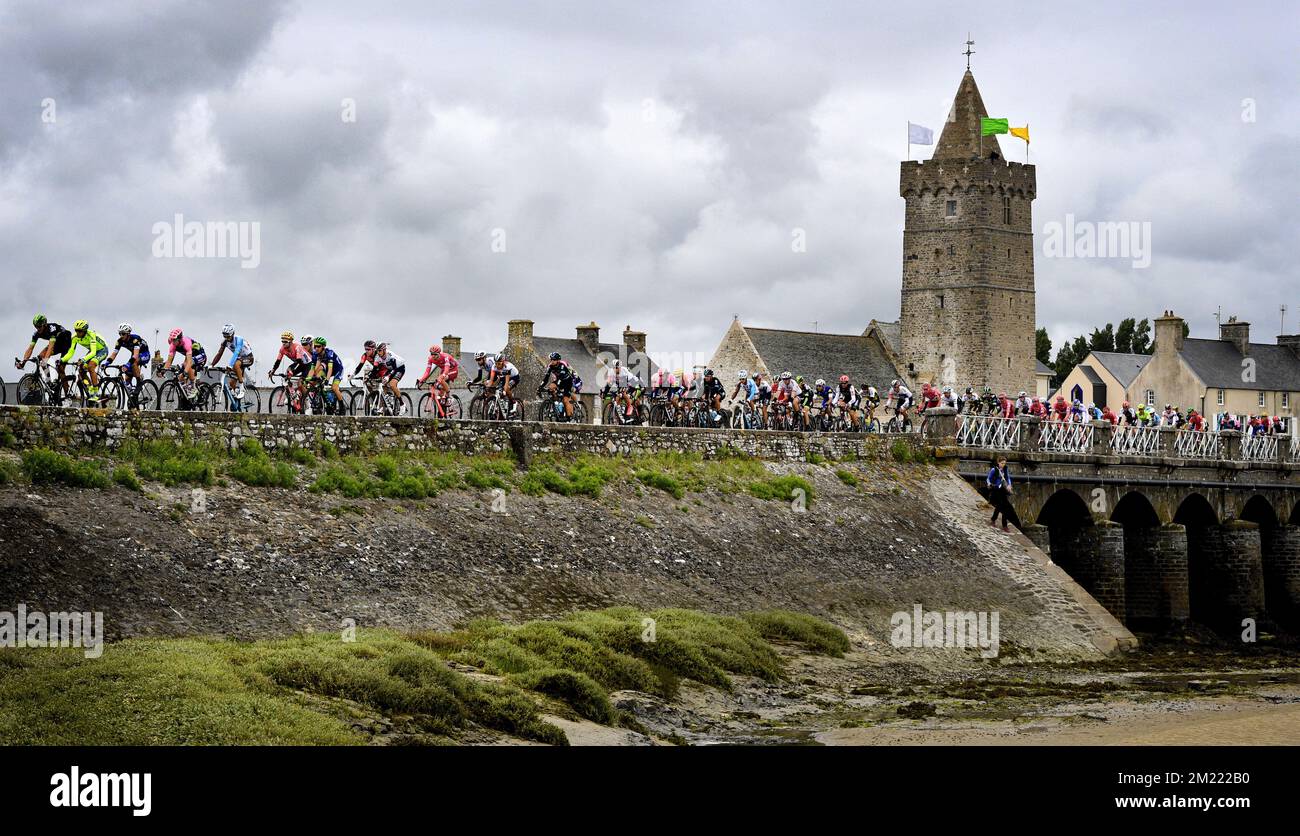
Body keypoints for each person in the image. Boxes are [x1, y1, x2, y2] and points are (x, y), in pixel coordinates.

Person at [18, 315, 75, 398]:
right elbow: (30, 348)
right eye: (35, 326)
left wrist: (46, 360)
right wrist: (23, 362)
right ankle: (50, 383)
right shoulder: (36, 333)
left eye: (39, 326)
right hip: (57, 343)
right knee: (40, 358)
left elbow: (51, 346)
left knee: (60, 368)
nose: (38, 328)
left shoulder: (52, 329)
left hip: (66, 342)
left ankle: (67, 394)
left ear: (44, 325)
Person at [62, 320, 109, 403]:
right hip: (92, 351)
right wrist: (62, 360)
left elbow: (93, 352)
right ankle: (90, 388)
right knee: (81, 370)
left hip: (102, 350)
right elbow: (71, 352)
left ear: (84, 331)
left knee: (91, 366)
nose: (77, 333)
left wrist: (83, 359)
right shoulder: (74, 337)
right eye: (76, 330)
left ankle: (96, 393)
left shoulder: (91, 335)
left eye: (79, 331)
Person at [268, 331, 314, 411]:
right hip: (298, 363)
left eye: (285, 342)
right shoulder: (282, 349)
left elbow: (300, 361)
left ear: (291, 342)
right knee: (287, 373)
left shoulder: (297, 347)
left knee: (300, 382)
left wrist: (293, 372)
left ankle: (307, 402)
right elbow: (278, 361)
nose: (283, 343)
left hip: (307, 364)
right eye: (282, 341)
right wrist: (273, 370)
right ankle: (292, 395)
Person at [210, 324, 254, 400]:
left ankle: (241, 387)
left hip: (248, 358)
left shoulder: (239, 339)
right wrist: (212, 364)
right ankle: (236, 404)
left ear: (233, 334)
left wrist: (230, 365)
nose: (226, 338)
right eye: (225, 336)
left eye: (228, 336)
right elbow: (219, 354)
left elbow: (236, 353)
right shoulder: (225, 342)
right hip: (239, 359)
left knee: (236, 364)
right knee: (232, 383)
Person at [163, 328, 207, 396]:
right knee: (180, 377)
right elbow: (169, 361)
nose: (173, 342)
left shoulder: (186, 342)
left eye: (174, 340)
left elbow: (189, 362)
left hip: (200, 355)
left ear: (179, 339)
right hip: (190, 356)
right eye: (171, 340)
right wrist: (163, 371)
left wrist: (184, 373)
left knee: (186, 366)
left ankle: (193, 386)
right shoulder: (173, 345)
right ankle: (188, 394)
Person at [417, 344, 460, 413]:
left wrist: (441, 377)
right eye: (432, 354)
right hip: (444, 370)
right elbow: (427, 371)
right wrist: (421, 380)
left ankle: (449, 396)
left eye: (435, 354)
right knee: (440, 394)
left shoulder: (445, 357)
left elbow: (446, 369)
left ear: (439, 354)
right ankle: (442, 414)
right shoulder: (430, 359)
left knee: (441, 379)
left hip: (453, 370)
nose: (433, 356)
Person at [310, 336, 345, 413]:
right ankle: (327, 402)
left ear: (323, 347)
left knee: (334, 387)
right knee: (319, 376)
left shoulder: (329, 353)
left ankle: (342, 406)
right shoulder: (316, 354)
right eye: (315, 346)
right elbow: (316, 369)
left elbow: (330, 369)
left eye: (318, 346)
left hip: (338, 370)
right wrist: (312, 378)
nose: (316, 348)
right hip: (327, 369)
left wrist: (327, 379)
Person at [986, 456, 1016, 532]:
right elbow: (988, 478)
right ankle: (1003, 525)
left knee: (1003, 507)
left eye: (1004, 463)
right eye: (1002, 463)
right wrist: (989, 484)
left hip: (1003, 490)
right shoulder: (994, 470)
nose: (1003, 465)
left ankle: (995, 521)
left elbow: (1008, 478)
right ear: (998, 462)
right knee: (1002, 506)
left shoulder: (1005, 469)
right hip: (996, 490)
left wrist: (1009, 484)